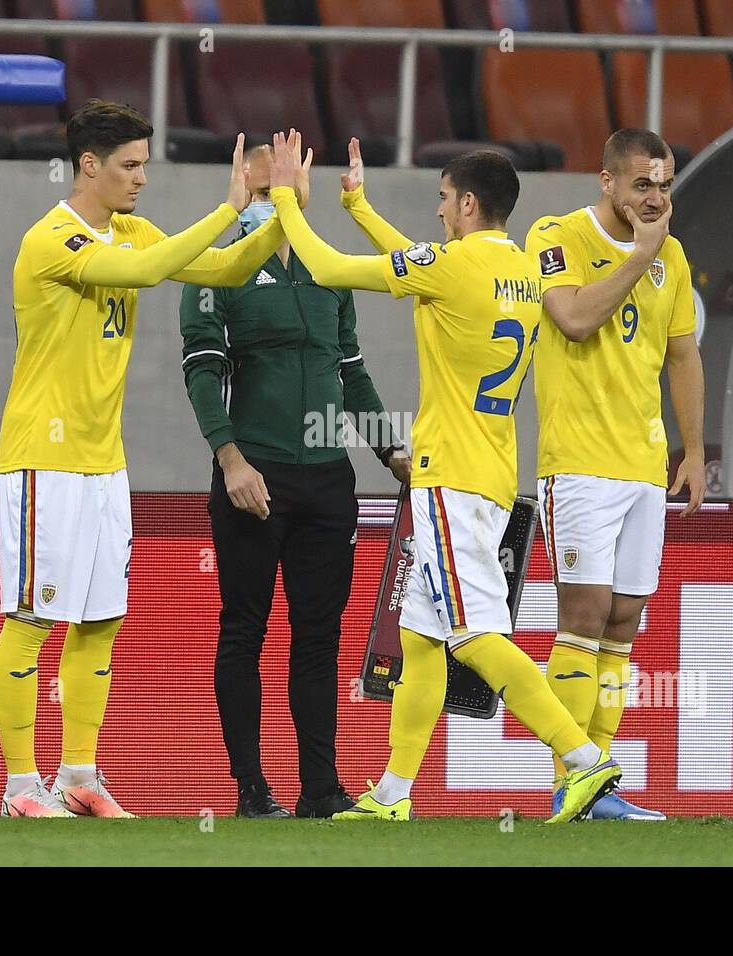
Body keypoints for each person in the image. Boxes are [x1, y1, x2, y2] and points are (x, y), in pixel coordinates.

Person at [265, 130, 622, 823]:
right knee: (423, 640)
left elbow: (330, 268)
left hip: (449, 479)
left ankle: (583, 761)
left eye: (440, 200)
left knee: (474, 635)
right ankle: (393, 796)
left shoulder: (453, 267)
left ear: (465, 204)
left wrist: (286, 198)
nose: (435, 212)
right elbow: (426, 265)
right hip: (489, 474)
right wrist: (361, 206)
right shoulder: (519, 270)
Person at [0, 99, 304, 818]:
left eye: (145, 165)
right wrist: (229, 208)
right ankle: (17, 787)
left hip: (104, 461)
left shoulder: (129, 228)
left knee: (100, 619)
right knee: (32, 619)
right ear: (89, 164)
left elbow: (221, 271)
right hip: (44, 454)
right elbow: (152, 270)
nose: (141, 179)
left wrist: (280, 209)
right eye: (129, 166)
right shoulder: (52, 240)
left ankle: (78, 778)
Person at [180, 140, 411, 819]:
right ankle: (251, 791)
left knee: (319, 636)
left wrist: (390, 451)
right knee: (244, 629)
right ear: (242, 188)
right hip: (253, 474)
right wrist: (230, 461)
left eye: (290, 175)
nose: (279, 186)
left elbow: (353, 372)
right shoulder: (214, 266)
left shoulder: (328, 268)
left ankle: (321, 789)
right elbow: (202, 371)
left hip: (326, 482)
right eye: (264, 178)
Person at [525, 128, 705, 821]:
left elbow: (682, 355)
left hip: (642, 464)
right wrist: (640, 256)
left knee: (625, 622)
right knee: (584, 614)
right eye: (642, 185)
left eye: (663, 186)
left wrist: (693, 451)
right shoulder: (557, 234)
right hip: (577, 463)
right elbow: (571, 319)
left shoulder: (676, 258)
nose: (656, 198)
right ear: (606, 181)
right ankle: (572, 773)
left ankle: (598, 786)